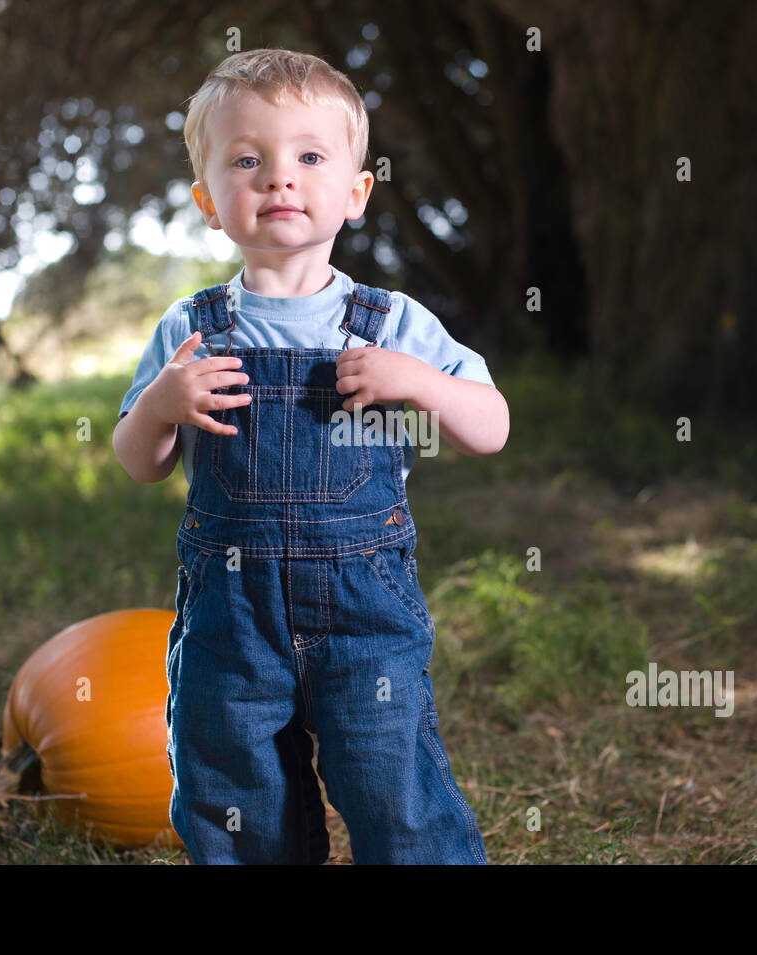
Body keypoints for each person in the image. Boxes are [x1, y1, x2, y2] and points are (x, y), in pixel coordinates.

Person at [112, 47, 509, 864]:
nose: (279, 179)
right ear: (209, 202)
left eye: (310, 156)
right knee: (233, 786)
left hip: (366, 609)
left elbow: (491, 425)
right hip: (230, 611)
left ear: (357, 192)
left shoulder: (391, 323)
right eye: (248, 160)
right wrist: (160, 404)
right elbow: (139, 460)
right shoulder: (189, 330)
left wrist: (419, 381)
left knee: (389, 778)